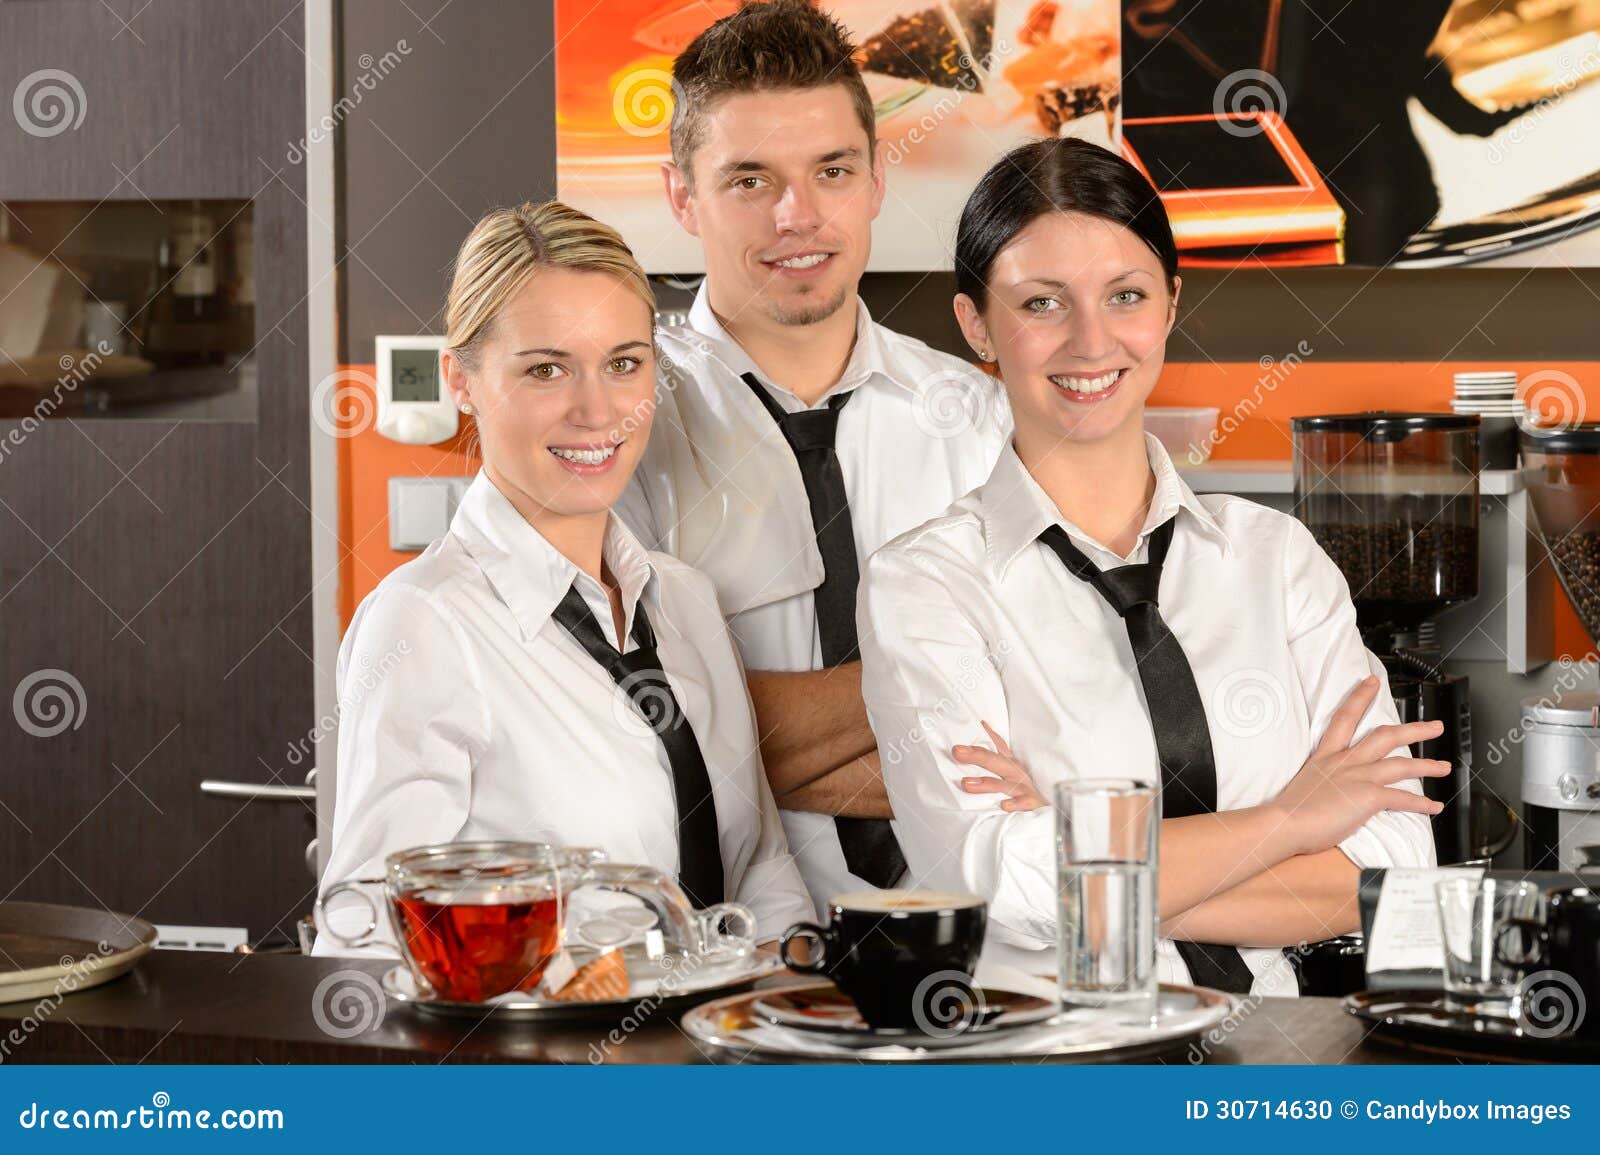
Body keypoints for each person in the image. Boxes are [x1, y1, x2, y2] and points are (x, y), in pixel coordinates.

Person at [857, 137, 1446, 995]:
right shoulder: (927, 584)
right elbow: (994, 883)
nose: (1091, 341)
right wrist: (1291, 819)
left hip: (1272, 1066)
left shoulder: (1277, 561)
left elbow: (1389, 873)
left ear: (1169, 305)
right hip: (1057, 1066)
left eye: (1124, 295)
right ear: (976, 324)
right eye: (1042, 303)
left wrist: (1086, 871)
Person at [315, 200, 812, 956]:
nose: (597, 409)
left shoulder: (684, 600)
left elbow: (760, 864)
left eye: (623, 363)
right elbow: (365, 937)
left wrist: (789, 1000)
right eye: (546, 368)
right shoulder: (423, 625)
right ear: (461, 379)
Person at [616, 0, 1009, 910]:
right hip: (721, 962)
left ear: (875, 180)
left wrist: (732, 735)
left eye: (832, 170)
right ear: (682, 196)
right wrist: (948, 688)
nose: (800, 215)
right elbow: (623, 735)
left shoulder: (982, 423)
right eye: (750, 179)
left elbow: (1072, 713)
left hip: (985, 951)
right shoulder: (618, 431)